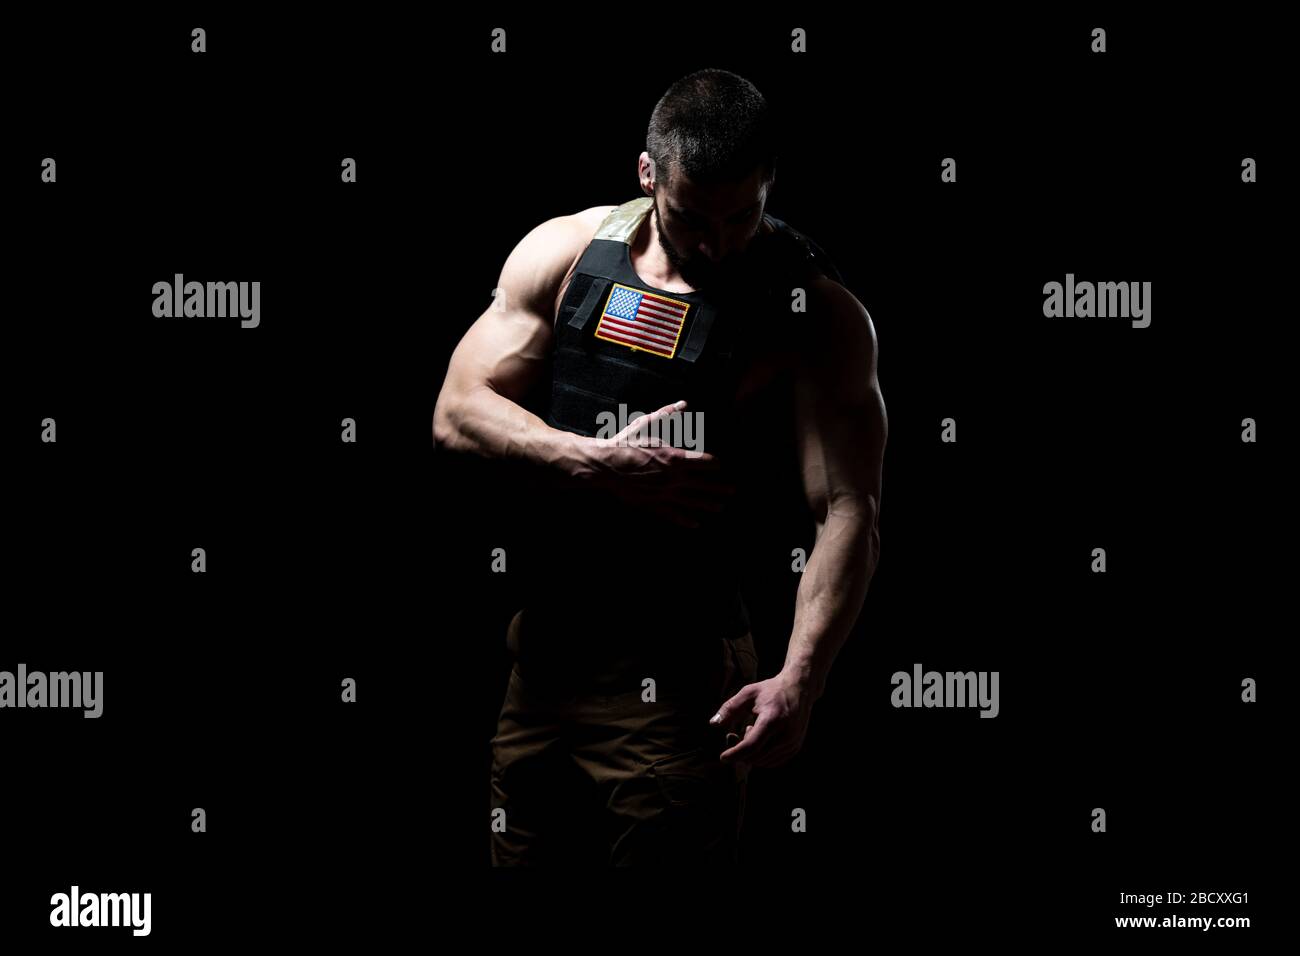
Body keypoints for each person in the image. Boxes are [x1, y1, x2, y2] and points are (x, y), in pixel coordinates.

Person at [433, 68, 887, 865]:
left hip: (679, 683)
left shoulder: (813, 313)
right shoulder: (567, 251)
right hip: (542, 659)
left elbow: (849, 507)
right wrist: (591, 461)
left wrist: (801, 678)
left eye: (740, 215)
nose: (716, 242)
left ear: (769, 183)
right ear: (648, 175)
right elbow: (456, 409)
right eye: (691, 217)